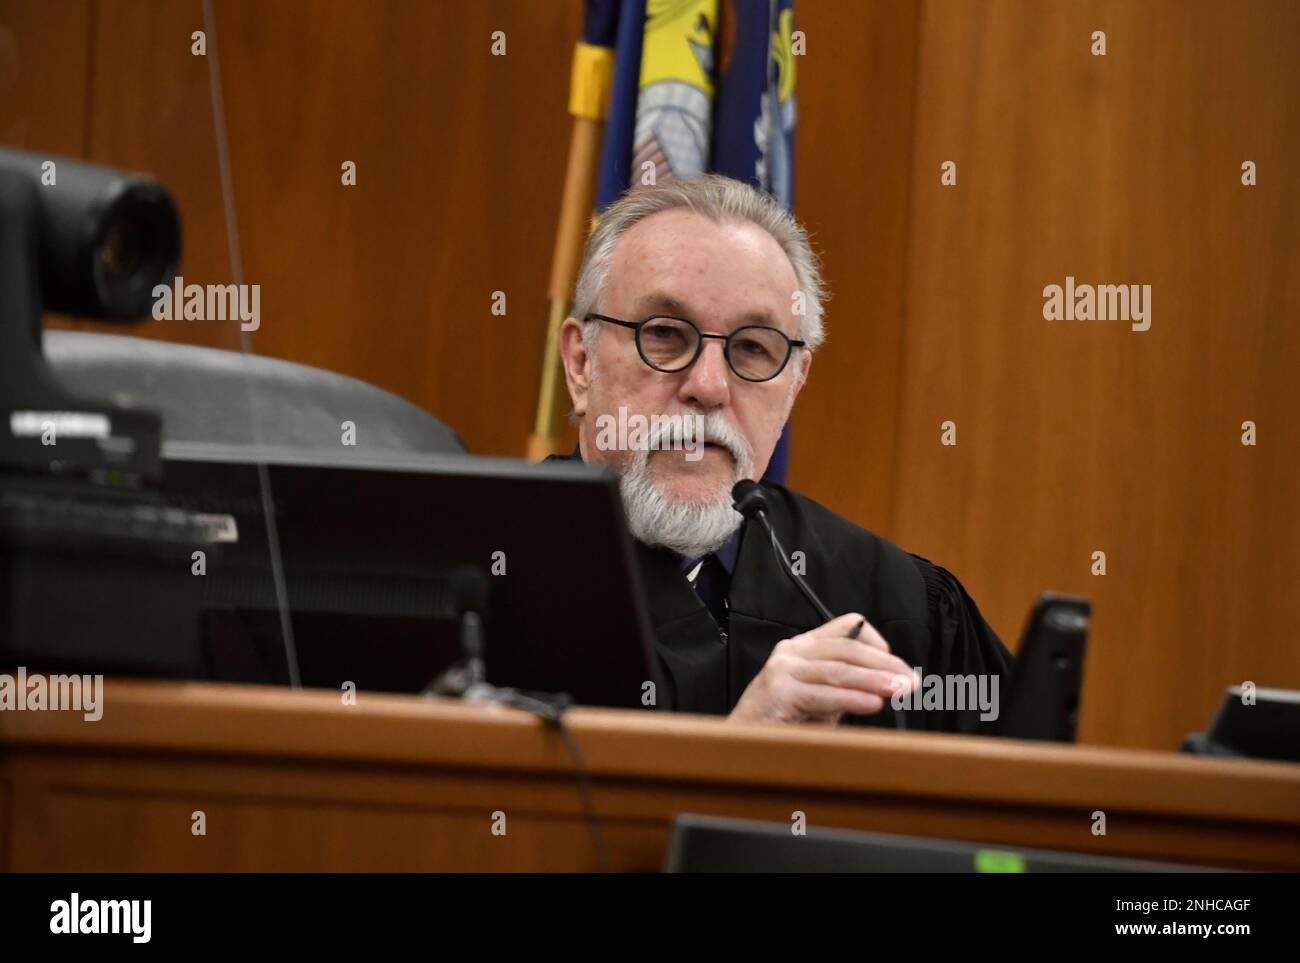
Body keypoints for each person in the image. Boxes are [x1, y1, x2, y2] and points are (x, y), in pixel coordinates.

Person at [552, 174, 1011, 732]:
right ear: (581, 363)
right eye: (665, 334)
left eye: (752, 348)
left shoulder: (898, 607)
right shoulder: (477, 575)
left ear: (795, 381)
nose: (710, 386)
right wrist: (739, 761)